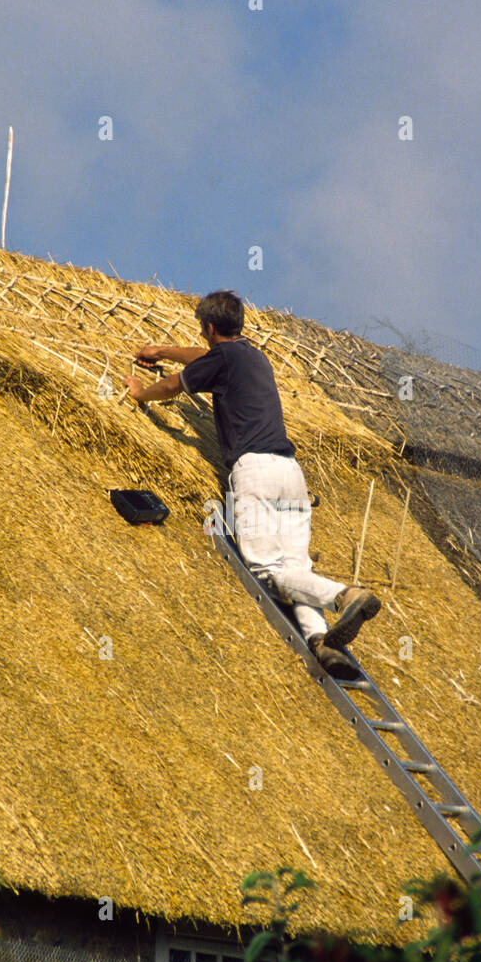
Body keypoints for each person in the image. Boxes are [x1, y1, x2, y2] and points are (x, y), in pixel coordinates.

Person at [123, 290, 380, 678]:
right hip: (291, 474)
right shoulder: (253, 357)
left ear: (210, 327)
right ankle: (321, 642)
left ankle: (345, 595)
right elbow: (204, 358)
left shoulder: (221, 360)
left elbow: (175, 385)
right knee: (295, 568)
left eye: (203, 329)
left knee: (267, 571)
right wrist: (162, 351)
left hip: (256, 471)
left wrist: (141, 393)